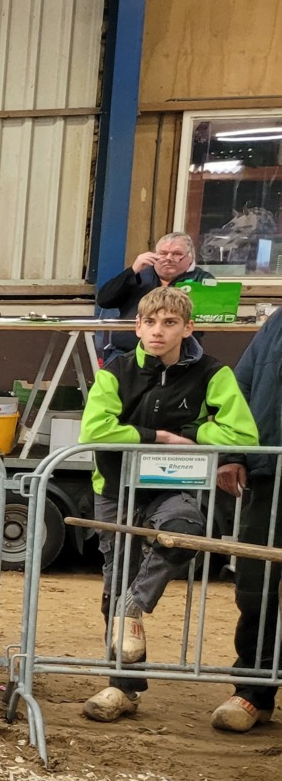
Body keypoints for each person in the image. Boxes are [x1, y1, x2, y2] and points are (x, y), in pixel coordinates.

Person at [79, 288, 257, 724]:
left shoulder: (215, 374)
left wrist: (195, 434)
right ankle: (123, 686)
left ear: (188, 327)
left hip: (175, 484)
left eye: (170, 323)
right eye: (151, 323)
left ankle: (134, 606)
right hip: (116, 487)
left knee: (184, 528)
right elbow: (96, 429)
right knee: (114, 576)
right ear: (138, 327)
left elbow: (243, 436)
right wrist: (157, 436)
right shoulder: (114, 371)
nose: (159, 332)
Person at [217, 304, 282, 732]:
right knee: (257, 585)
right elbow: (239, 390)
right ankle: (253, 691)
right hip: (269, 474)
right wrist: (233, 453)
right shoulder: (276, 323)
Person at [96, 233, 213, 326]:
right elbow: (104, 300)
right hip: (129, 348)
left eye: (176, 254)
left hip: (181, 349)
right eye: (163, 253)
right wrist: (132, 270)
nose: (168, 258)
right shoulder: (139, 275)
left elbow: (214, 313)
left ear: (190, 257)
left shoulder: (202, 279)